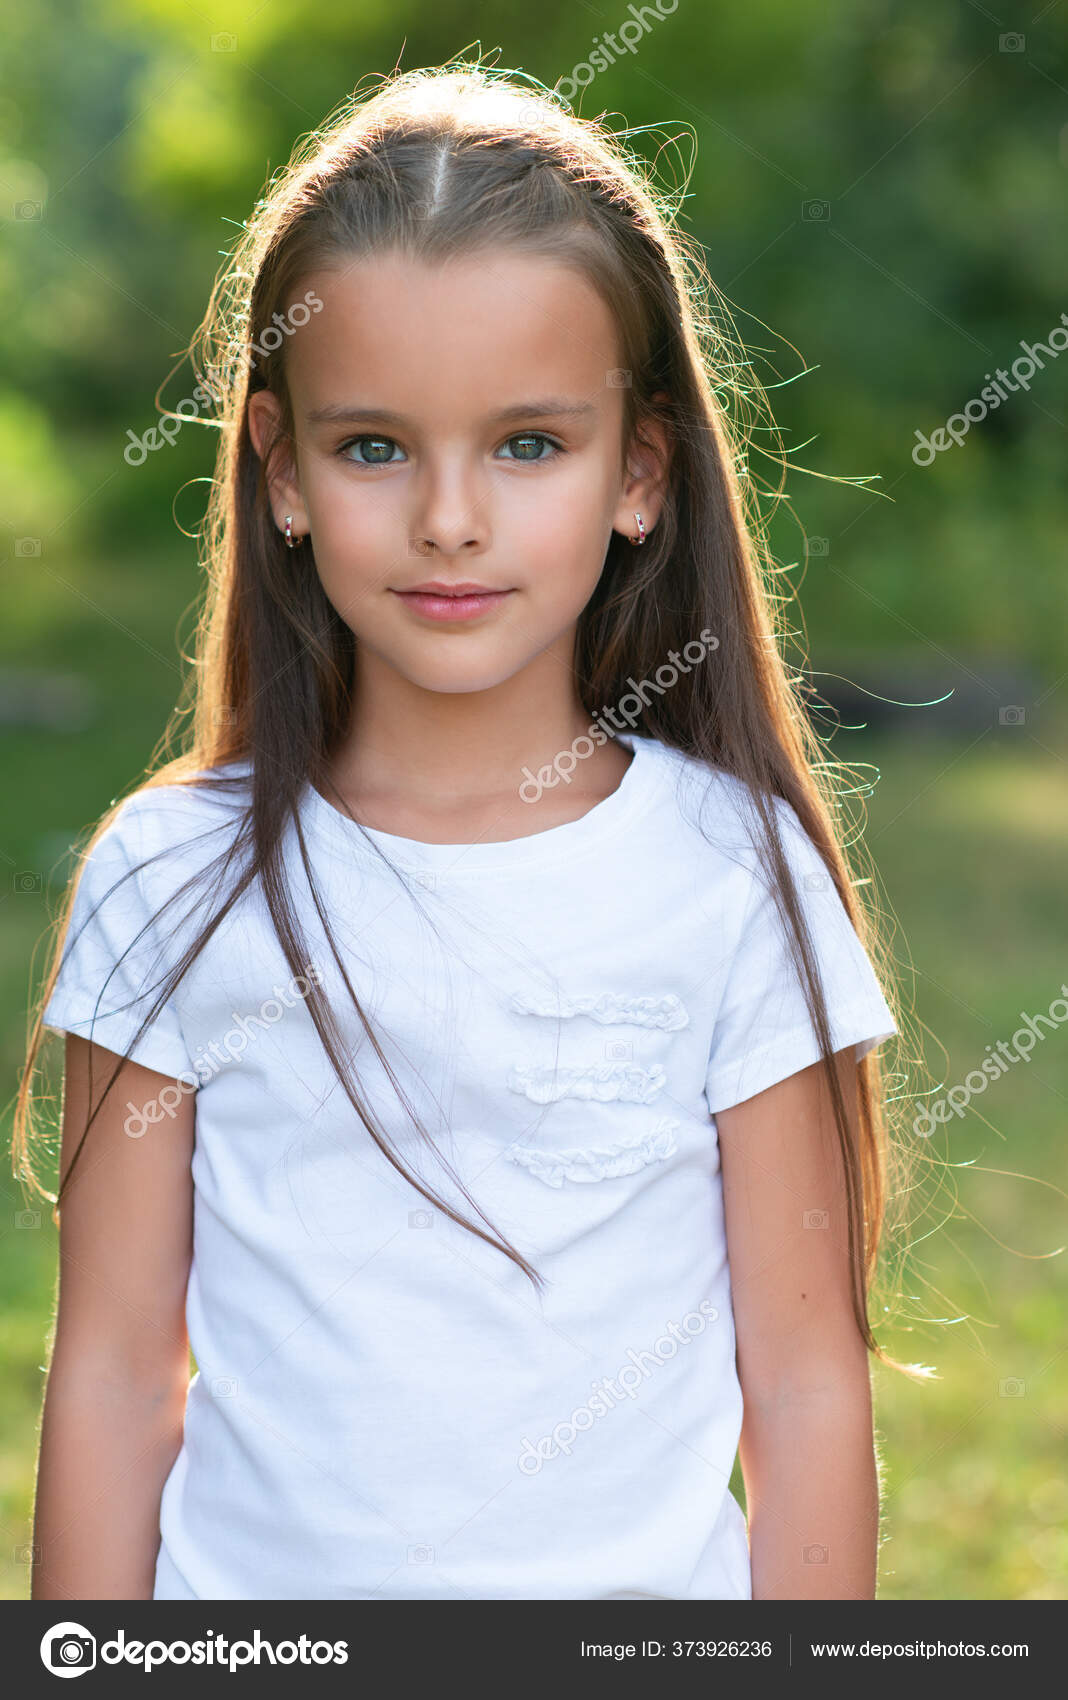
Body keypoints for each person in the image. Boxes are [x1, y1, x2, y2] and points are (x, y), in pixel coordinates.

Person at [17, 60, 926, 1604]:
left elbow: (809, 1385)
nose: (450, 517)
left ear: (639, 472)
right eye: (373, 446)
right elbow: (111, 1375)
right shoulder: (168, 883)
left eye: (526, 446)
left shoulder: (731, 881)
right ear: (281, 468)